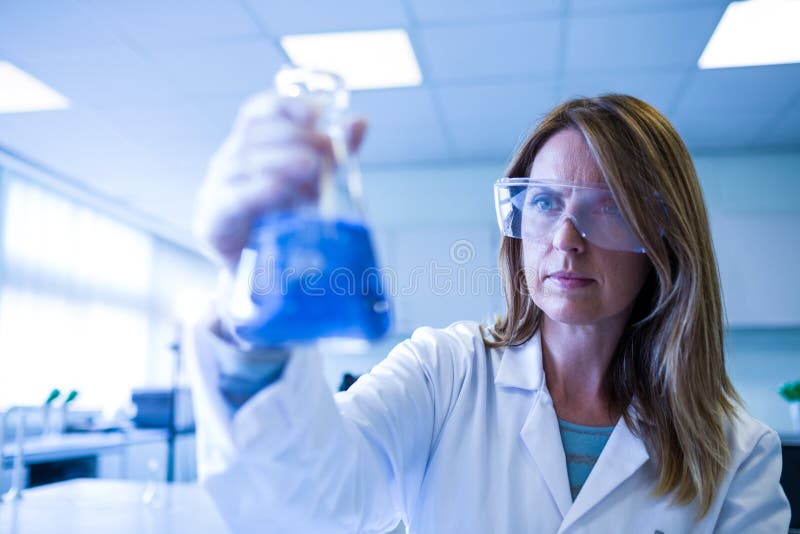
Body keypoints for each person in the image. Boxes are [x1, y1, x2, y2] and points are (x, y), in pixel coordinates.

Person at [186, 92, 791, 533]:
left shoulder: (739, 455)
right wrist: (250, 291)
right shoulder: (445, 371)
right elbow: (308, 504)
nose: (565, 237)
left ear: (663, 236)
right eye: (546, 202)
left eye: (606, 207)